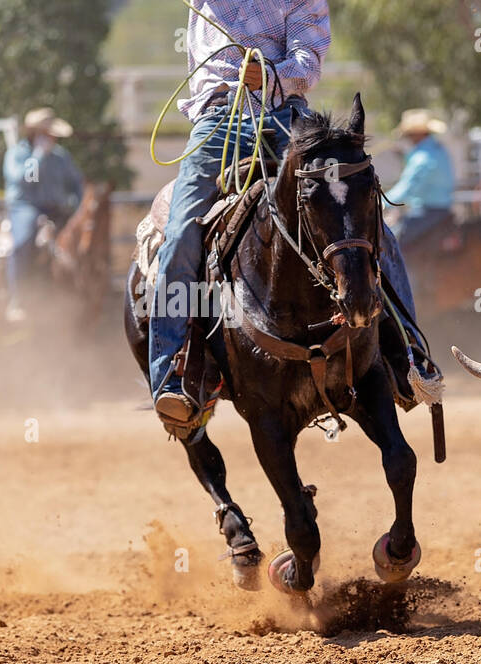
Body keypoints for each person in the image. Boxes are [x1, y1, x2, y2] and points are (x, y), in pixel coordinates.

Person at [150, 0, 425, 440]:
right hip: (215, 120)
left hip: (285, 118)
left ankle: (409, 355)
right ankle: (172, 377)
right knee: (181, 233)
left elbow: (307, 61)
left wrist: (271, 75)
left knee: (363, 223)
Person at [1, 108, 84, 323]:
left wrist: (76, 203)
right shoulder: (18, 153)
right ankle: (16, 300)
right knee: (23, 239)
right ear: (36, 133)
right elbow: (25, 179)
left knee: (82, 240)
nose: (53, 138)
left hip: (56, 209)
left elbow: (77, 182)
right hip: (25, 207)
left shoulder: (60, 156)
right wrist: (39, 156)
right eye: (48, 133)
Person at [388, 110, 455, 248]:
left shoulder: (421, 158)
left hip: (428, 211)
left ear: (419, 134)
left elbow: (407, 188)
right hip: (441, 209)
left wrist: (381, 202)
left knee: (390, 241)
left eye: (410, 134)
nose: (409, 138)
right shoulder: (437, 150)